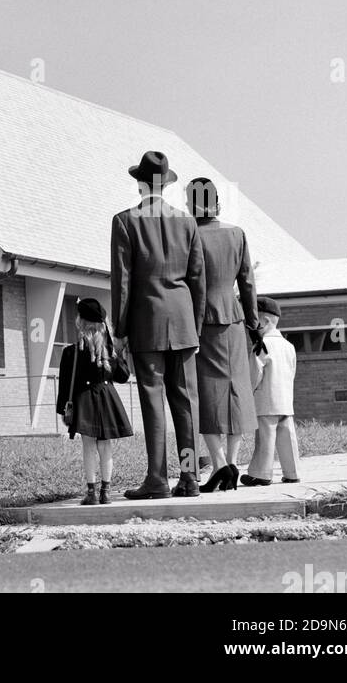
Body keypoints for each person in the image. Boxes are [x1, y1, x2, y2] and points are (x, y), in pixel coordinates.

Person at [111, 150, 206, 499]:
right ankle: (189, 475)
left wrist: (119, 332)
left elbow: (122, 282)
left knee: (153, 402)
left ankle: (156, 478)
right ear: (165, 185)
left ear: (139, 185)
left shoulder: (125, 221)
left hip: (146, 323)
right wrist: (195, 328)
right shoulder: (187, 221)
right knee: (184, 402)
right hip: (182, 323)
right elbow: (198, 280)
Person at [186, 177, 262, 492]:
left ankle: (220, 465)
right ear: (217, 203)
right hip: (235, 320)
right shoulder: (237, 234)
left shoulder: (189, 237)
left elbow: (189, 283)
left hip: (202, 323)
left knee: (207, 395)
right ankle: (232, 463)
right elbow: (247, 283)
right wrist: (254, 324)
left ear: (191, 204)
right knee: (237, 394)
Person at [56, 297, 134, 504]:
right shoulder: (110, 351)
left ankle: (91, 493)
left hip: (83, 402)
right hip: (107, 399)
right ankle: (106, 492)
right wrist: (119, 352)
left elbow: (65, 385)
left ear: (80, 322)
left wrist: (63, 411)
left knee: (88, 446)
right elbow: (123, 377)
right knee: (105, 446)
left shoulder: (71, 352)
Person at [241, 296, 301, 486]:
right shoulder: (289, 346)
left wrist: (247, 393)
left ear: (264, 321)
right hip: (285, 399)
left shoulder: (261, 345)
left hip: (266, 399)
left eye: (253, 321)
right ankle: (292, 472)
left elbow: (254, 374)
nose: (250, 326)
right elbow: (292, 371)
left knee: (265, 438)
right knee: (287, 437)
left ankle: (261, 474)